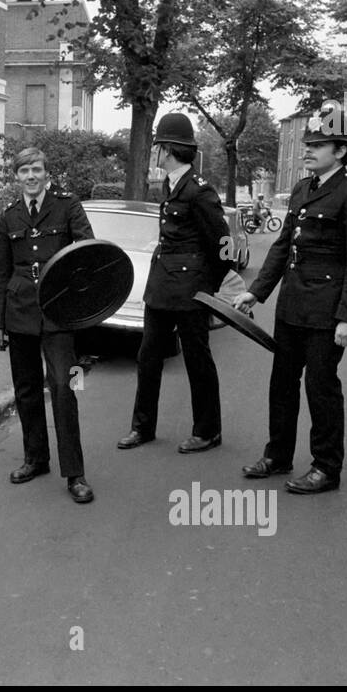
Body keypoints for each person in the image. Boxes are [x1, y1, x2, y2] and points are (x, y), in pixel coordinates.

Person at [232, 123, 347, 494]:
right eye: (307, 143)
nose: (308, 150)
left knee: (320, 387)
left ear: (341, 151)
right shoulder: (302, 188)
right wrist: (256, 292)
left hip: (326, 312)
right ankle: (278, 455)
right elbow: (283, 245)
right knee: (281, 384)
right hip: (292, 305)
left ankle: (326, 467)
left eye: (318, 144)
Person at [119, 113, 231, 455]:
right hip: (161, 286)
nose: (155, 152)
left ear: (167, 150)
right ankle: (143, 427)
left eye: (158, 147)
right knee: (148, 357)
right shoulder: (170, 185)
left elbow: (223, 245)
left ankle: (208, 430)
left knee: (197, 359)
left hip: (190, 291)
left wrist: (206, 288)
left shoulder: (199, 191)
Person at [0, 146, 96, 504]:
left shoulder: (67, 205)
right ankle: (35, 458)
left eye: (36, 170)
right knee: (26, 390)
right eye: (24, 171)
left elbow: (87, 252)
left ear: (46, 174)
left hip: (58, 312)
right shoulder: (9, 215)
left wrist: (79, 304)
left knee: (65, 388)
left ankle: (75, 473)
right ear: (16, 177)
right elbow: (1, 272)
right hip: (20, 311)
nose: (31, 177)